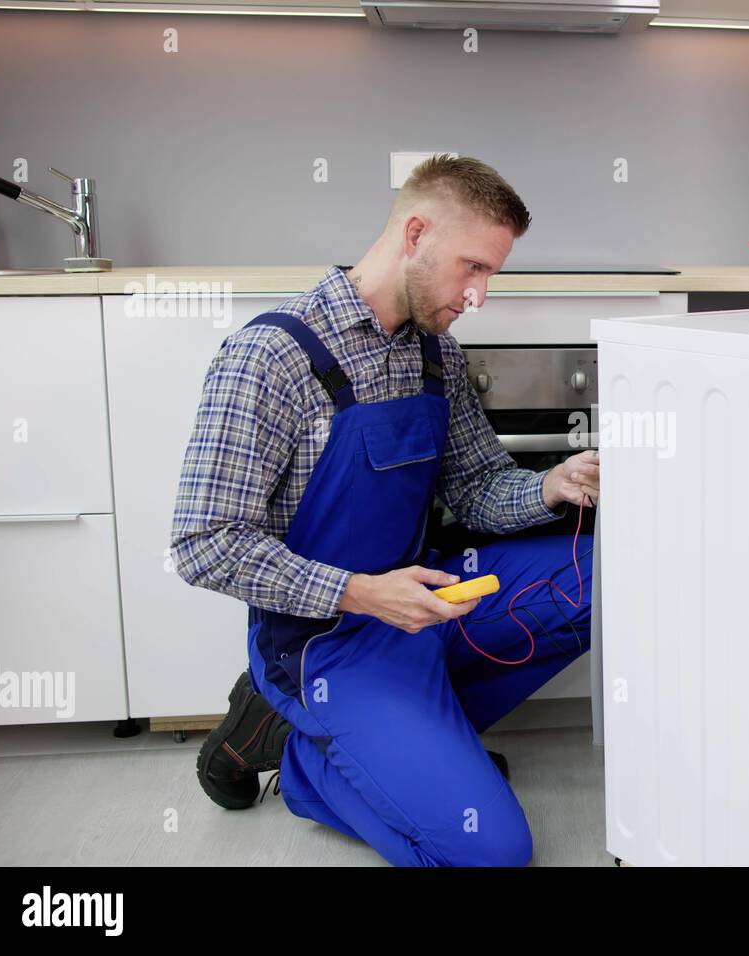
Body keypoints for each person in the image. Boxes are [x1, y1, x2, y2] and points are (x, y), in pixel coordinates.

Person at [170, 154, 600, 866]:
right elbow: (203, 543)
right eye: (472, 268)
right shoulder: (273, 356)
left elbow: (476, 487)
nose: (480, 295)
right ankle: (309, 768)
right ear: (415, 233)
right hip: (329, 641)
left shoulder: (437, 354)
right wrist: (362, 593)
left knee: (610, 577)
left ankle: (419, 741)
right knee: (490, 852)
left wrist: (549, 485)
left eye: (490, 274)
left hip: (429, 598)